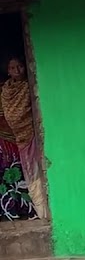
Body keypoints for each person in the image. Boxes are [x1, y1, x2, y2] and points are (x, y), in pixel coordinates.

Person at [2, 58, 46, 219]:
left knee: (36, 172)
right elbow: (10, 116)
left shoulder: (29, 87)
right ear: (8, 71)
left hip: (30, 136)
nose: (17, 70)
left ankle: (41, 211)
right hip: (14, 141)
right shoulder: (5, 91)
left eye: (20, 66)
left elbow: (22, 114)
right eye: (12, 67)